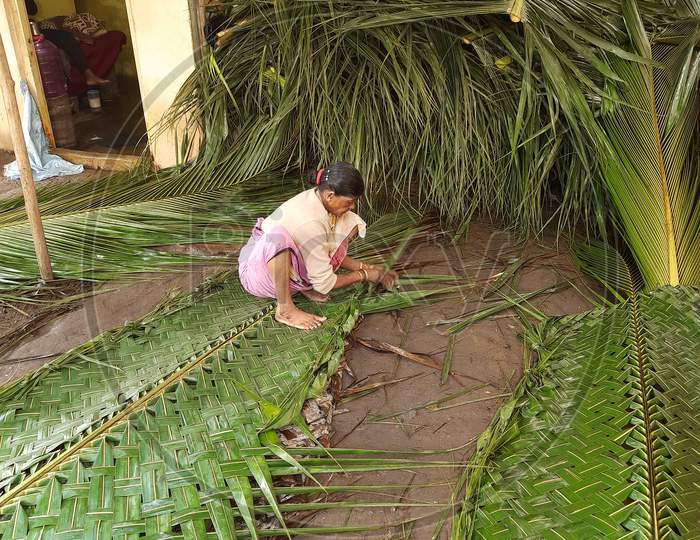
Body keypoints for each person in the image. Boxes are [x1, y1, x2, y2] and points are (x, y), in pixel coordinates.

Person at [239, 162, 398, 330]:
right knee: (277, 238)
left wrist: (366, 266)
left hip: (285, 264)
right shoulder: (311, 222)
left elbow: (324, 248)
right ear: (330, 195)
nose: (353, 206)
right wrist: (364, 274)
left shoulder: (319, 198)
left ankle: (304, 284)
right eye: (350, 202)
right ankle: (285, 309)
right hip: (255, 272)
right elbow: (326, 285)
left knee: (350, 222)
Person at [25, 0, 109, 86]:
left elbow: (33, 10)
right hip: (23, 34)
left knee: (65, 36)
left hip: (32, 28)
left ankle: (89, 75)